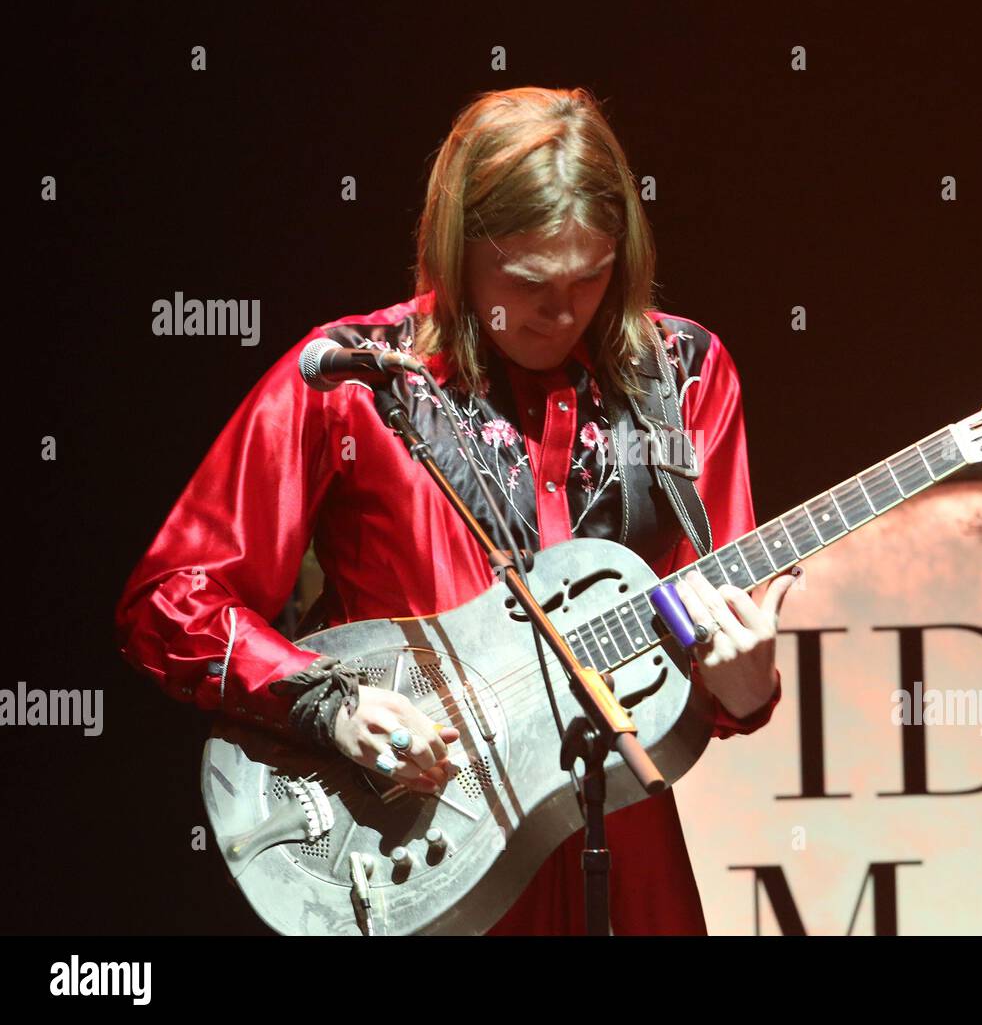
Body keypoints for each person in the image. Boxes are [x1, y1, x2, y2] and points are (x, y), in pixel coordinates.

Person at [114, 85, 798, 935]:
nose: (562, 310)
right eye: (529, 281)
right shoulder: (355, 379)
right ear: (456, 249)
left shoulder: (687, 373)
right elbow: (171, 597)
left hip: (616, 847)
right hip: (411, 838)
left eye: (592, 277)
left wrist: (743, 683)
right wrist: (328, 703)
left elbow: (714, 654)